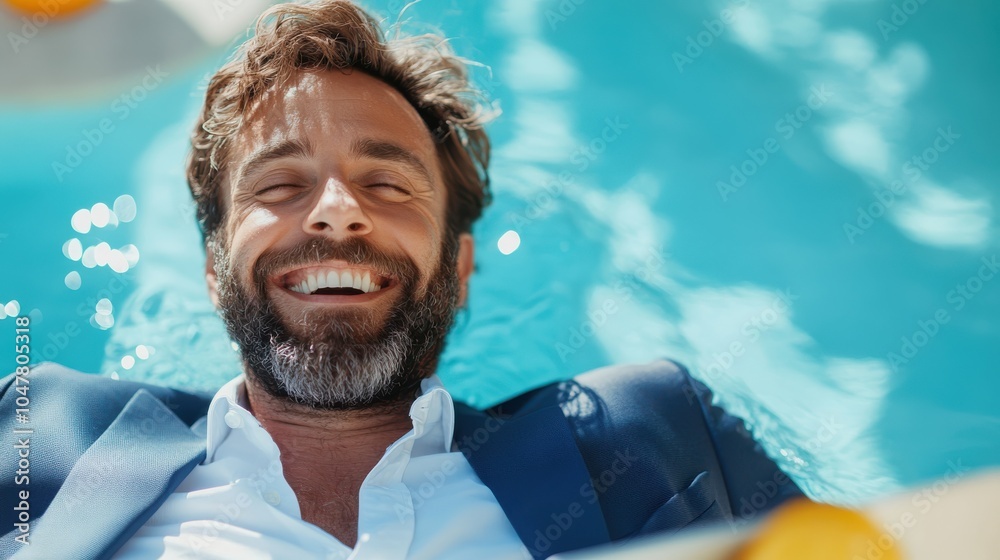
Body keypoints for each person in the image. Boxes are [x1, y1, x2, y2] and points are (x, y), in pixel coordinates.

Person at [0, 1, 803, 558]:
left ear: (459, 267)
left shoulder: (650, 431)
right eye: (281, 184)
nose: (336, 213)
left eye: (387, 184)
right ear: (214, 270)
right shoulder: (38, 435)